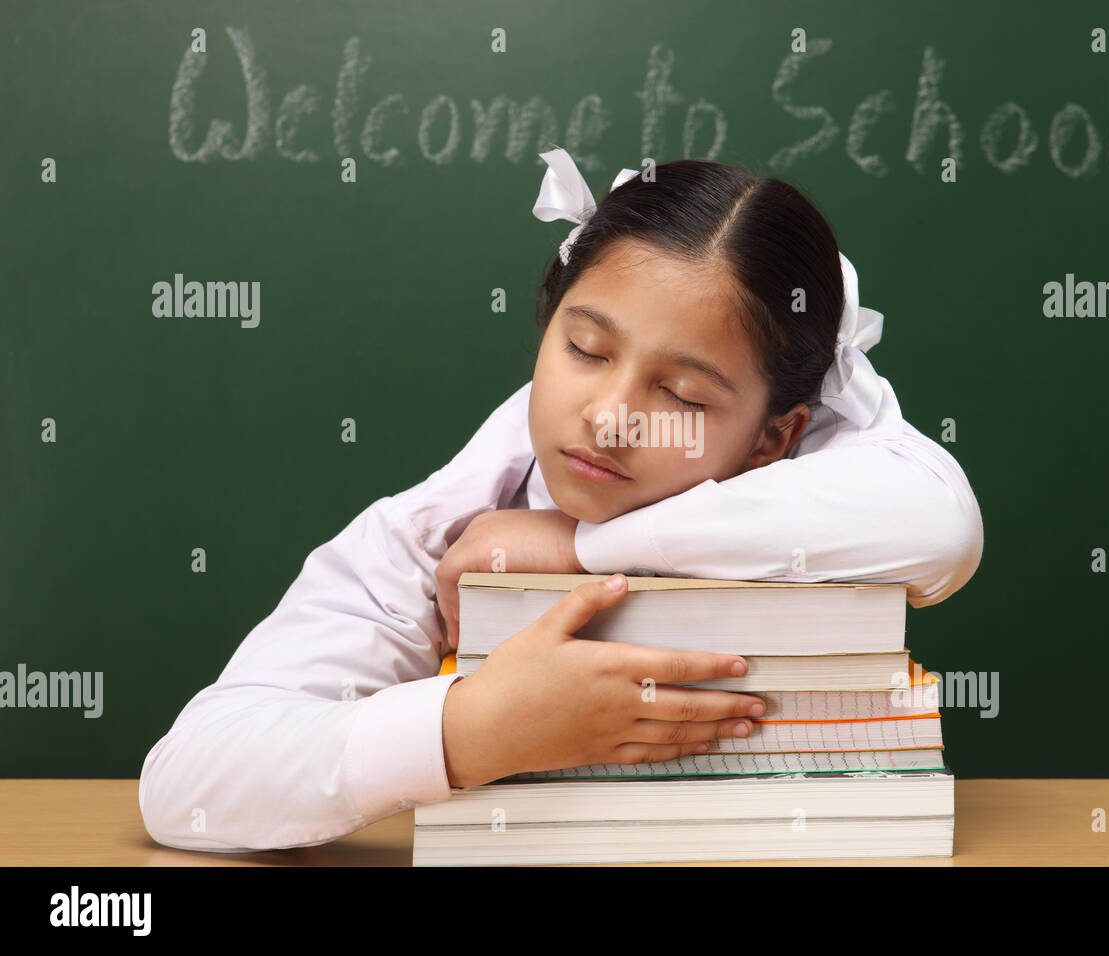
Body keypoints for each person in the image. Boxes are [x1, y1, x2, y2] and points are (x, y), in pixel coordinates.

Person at [138, 148, 983, 852]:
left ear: (773, 435)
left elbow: (944, 529)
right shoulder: (448, 527)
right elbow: (187, 784)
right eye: (584, 348)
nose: (609, 419)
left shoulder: (829, 465)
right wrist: (471, 729)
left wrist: (576, 549)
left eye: (683, 396)